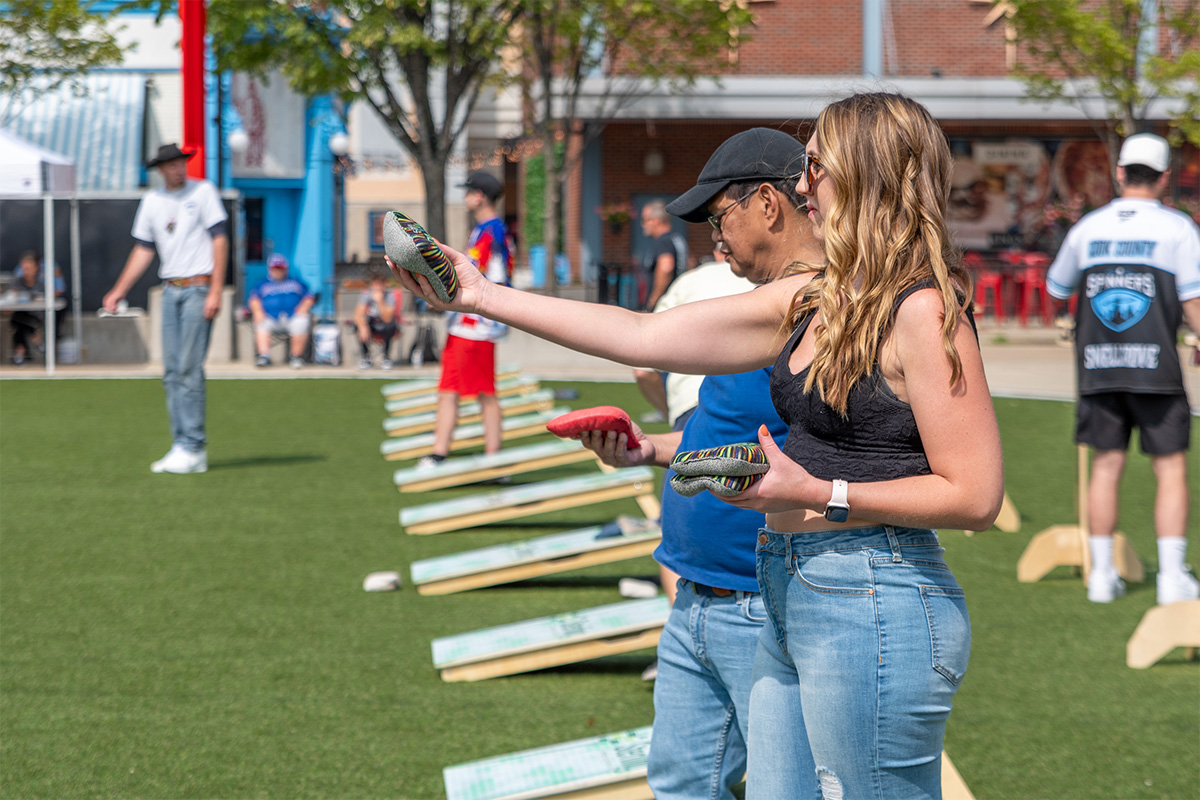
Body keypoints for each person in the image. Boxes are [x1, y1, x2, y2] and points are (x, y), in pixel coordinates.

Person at [392, 92, 1003, 799]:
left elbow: (976, 495)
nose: (804, 186)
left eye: (816, 167)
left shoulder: (925, 309)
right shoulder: (817, 300)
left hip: (874, 591)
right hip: (789, 585)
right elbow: (646, 337)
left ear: (865, 175)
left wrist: (819, 494)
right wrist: (482, 295)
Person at [582, 127, 821, 799]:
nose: (715, 241)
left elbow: (831, 457)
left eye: (721, 219)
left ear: (770, 204)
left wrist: (481, 295)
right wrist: (649, 451)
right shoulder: (753, 306)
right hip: (693, 598)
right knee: (682, 787)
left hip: (763, 604)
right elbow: (737, 442)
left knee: (786, 790)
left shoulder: (817, 309)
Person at [1046, 132, 1200, 606]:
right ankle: (1172, 577)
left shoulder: (1089, 228)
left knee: (1106, 467)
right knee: (1170, 469)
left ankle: (1102, 575)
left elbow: (1056, 288)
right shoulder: (1178, 228)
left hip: (1097, 368)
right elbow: (1194, 300)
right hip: (1157, 369)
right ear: (1164, 178)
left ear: (1119, 173)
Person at [103, 143, 228, 474]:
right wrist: (118, 291)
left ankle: (194, 446)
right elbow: (143, 249)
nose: (179, 169)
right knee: (171, 372)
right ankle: (180, 444)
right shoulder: (152, 202)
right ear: (160, 168)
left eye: (181, 163)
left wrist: (216, 290)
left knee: (189, 368)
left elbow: (219, 239)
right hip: (170, 291)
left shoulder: (203, 191)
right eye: (171, 165)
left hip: (199, 289)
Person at [415, 171, 513, 470]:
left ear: (479, 196)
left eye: (469, 192)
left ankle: (479, 456)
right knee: (455, 389)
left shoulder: (490, 232)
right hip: (471, 324)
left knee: (480, 392)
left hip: (477, 326)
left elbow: (484, 279)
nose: (466, 197)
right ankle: (445, 451)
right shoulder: (487, 229)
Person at [248, 253, 315, 369]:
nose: (278, 271)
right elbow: (254, 299)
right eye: (275, 268)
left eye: (280, 268)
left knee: (302, 320)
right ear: (270, 269)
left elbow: (309, 296)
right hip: (270, 317)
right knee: (261, 322)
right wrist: (258, 311)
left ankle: (296, 357)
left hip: (292, 316)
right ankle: (264, 356)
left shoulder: (295, 282)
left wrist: (304, 307)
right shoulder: (262, 284)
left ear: (285, 269)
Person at [7, 250, 65, 366]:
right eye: (24, 268)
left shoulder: (40, 284)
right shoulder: (17, 282)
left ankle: (21, 355)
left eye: (29, 268)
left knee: (19, 324)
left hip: (36, 315)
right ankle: (36, 339)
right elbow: (10, 297)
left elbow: (56, 293)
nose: (26, 271)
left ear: (36, 268)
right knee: (17, 320)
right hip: (22, 315)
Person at [640, 200, 689, 311]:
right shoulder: (677, 239)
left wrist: (653, 301)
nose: (643, 225)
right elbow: (690, 263)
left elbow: (666, 268)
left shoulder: (663, 241)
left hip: (665, 306)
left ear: (657, 221)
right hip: (678, 302)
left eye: (645, 220)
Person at [354, 270, 399, 370]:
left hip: (384, 324)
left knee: (390, 326)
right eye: (375, 284)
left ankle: (386, 357)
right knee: (358, 326)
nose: (377, 287)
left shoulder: (389, 297)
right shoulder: (366, 296)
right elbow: (358, 314)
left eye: (380, 284)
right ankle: (366, 357)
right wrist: (362, 327)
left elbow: (388, 318)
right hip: (371, 324)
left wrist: (380, 301)